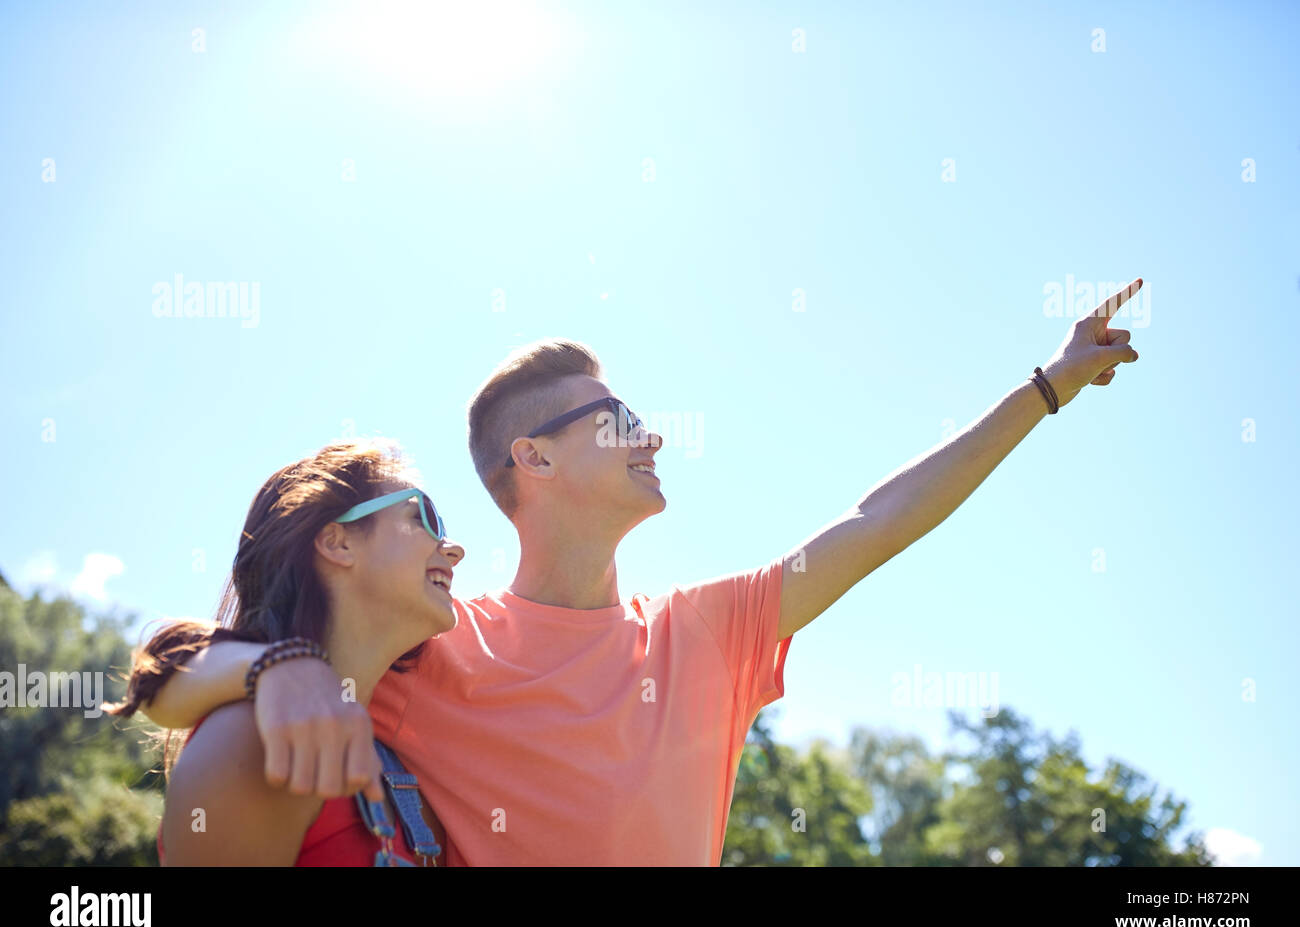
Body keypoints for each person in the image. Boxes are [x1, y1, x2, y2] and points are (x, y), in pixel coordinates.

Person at [132, 283, 1141, 865]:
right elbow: (180, 678)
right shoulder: (432, 645)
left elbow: (880, 520)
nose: (650, 435)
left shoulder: (707, 633)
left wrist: (1046, 386)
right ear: (533, 458)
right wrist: (286, 666)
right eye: (618, 420)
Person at [105, 438, 465, 865]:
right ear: (338, 542)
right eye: (423, 516)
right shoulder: (252, 743)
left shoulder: (404, 776)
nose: (454, 549)